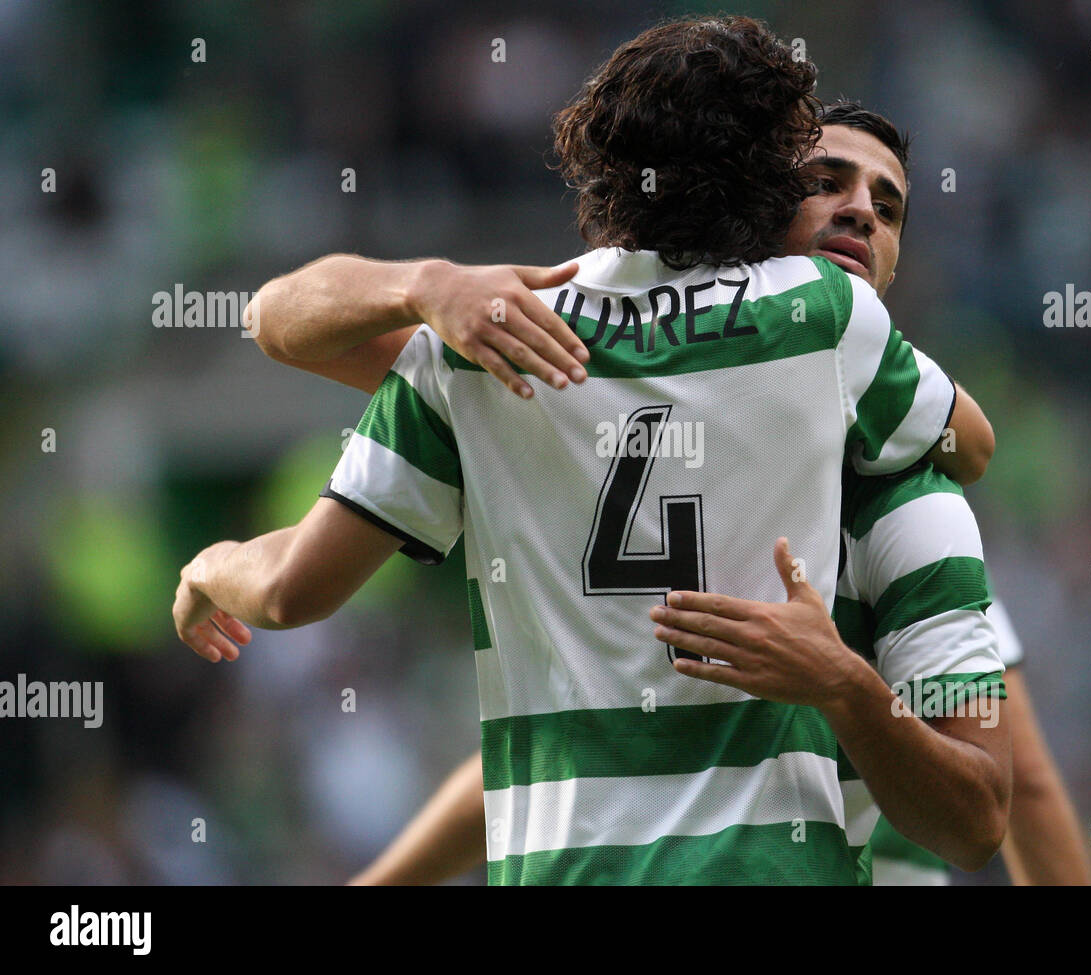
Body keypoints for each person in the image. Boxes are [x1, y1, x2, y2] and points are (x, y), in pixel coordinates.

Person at [173, 18, 999, 885]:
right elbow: (972, 443)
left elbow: (288, 568)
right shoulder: (830, 319)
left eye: (885, 203)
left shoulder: (485, 341)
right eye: (822, 178)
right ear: (769, 191)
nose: (857, 212)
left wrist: (208, 567)